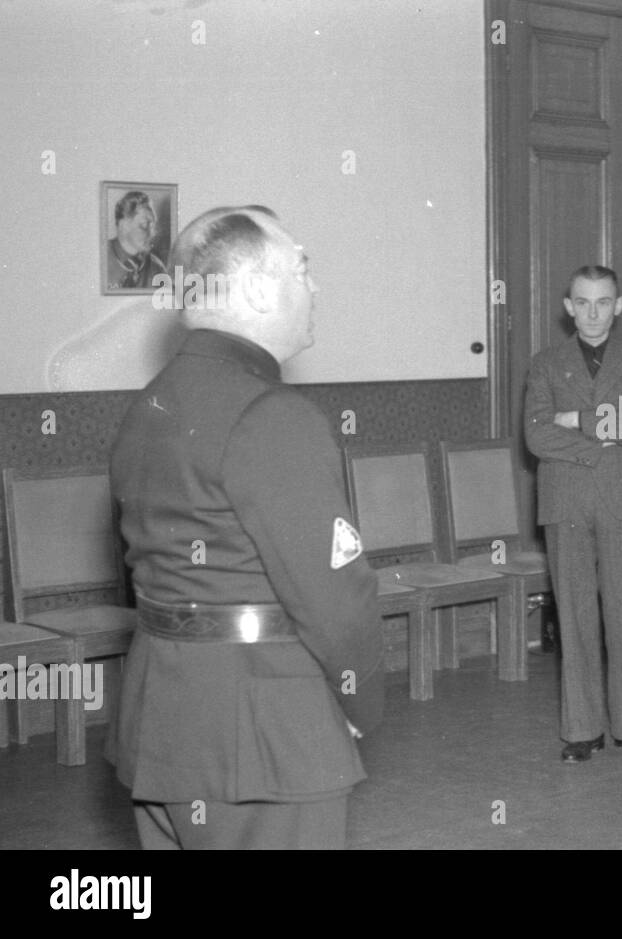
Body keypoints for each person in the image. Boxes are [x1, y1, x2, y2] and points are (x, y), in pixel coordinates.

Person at [107, 206, 384, 848]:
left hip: (164, 721)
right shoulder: (271, 415)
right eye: (302, 267)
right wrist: (356, 704)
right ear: (257, 288)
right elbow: (334, 599)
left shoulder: (149, 404)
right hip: (266, 734)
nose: (314, 286)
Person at [524, 265, 622, 762]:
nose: (593, 313)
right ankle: (581, 729)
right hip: (566, 501)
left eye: (603, 302)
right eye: (583, 302)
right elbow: (536, 435)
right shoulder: (546, 363)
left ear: (618, 306)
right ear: (568, 306)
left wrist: (579, 421)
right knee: (573, 616)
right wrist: (603, 443)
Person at [105, 191, 167, 290]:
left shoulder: (158, 269)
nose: (153, 233)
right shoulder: (100, 258)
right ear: (123, 225)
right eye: (144, 225)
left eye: (153, 226)